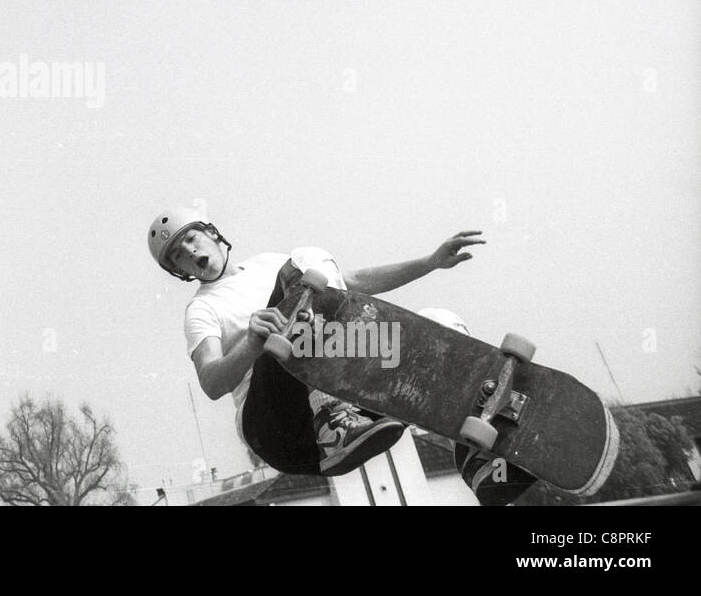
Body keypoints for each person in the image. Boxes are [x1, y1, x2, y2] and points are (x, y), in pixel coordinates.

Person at [147, 206, 537, 504]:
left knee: (438, 323)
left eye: (192, 239)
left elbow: (353, 283)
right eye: (178, 255)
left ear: (212, 234)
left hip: (344, 406)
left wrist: (430, 262)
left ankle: (478, 455)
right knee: (302, 269)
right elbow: (211, 381)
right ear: (179, 271)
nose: (190, 252)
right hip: (278, 426)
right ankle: (330, 419)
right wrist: (251, 341)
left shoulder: (268, 264)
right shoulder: (202, 309)